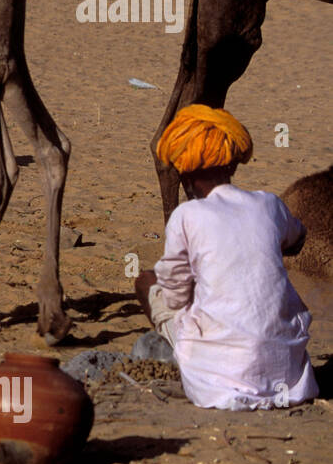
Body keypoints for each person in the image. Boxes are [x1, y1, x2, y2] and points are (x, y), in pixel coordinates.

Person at [134, 105, 319, 411]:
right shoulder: (268, 204)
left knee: (146, 281)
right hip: (290, 377)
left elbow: (176, 296)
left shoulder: (187, 215)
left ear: (185, 174)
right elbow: (298, 240)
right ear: (233, 165)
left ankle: (180, 355)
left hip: (219, 385)